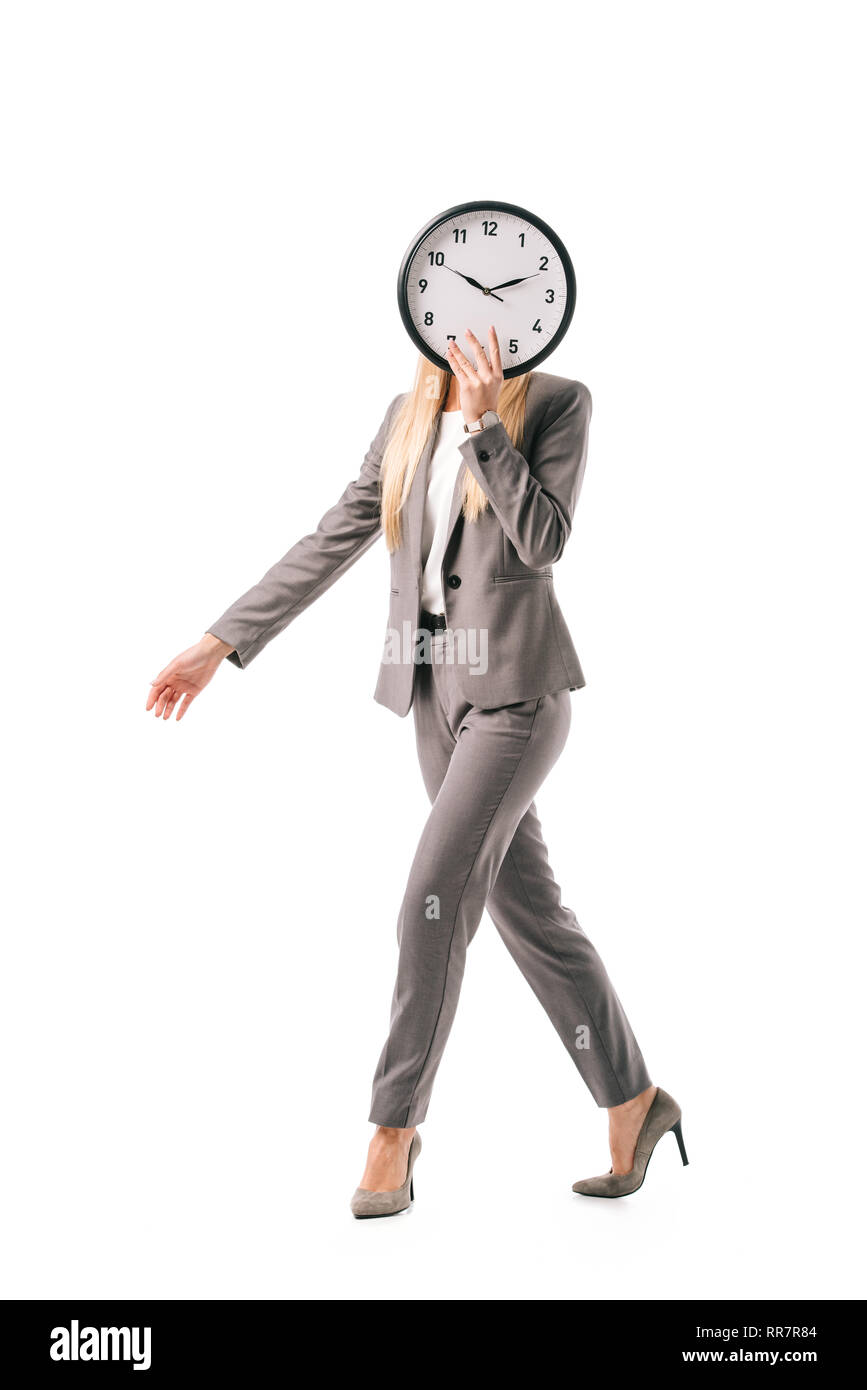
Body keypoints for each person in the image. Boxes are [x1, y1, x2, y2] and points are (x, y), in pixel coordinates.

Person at [147, 326, 686, 1216]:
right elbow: (335, 536)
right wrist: (220, 642)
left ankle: (392, 1130)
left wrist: (483, 430)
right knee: (532, 914)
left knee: (429, 900)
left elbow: (542, 541)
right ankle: (634, 1099)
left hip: (515, 697)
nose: (472, 327)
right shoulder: (404, 415)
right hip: (431, 691)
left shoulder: (557, 402)